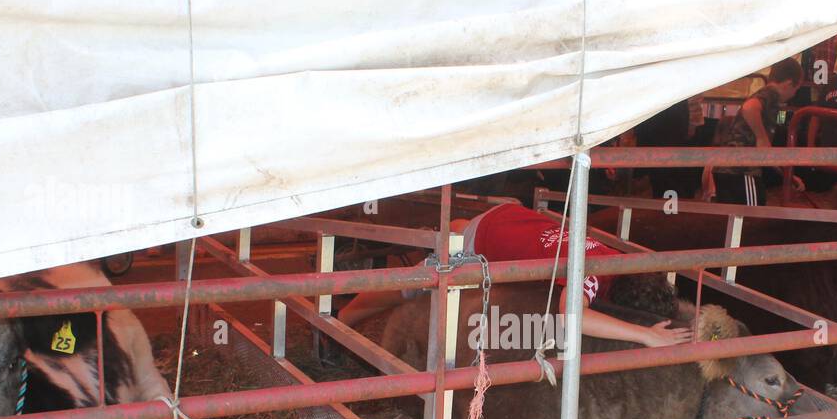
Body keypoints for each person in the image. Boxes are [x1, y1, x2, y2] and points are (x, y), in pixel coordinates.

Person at [338, 203, 691, 348]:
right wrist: (645, 335)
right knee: (416, 283)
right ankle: (343, 318)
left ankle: (454, 233)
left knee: (457, 237)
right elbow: (570, 316)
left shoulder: (617, 258)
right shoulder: (597, 275)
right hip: (479, 241)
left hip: (512, 215)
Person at [706, 58, 805, 205]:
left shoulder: (764, 94)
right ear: (788, 84)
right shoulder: (771, 95)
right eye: (795, 89)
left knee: (734, 221)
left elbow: (765, 151)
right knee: (752, 217)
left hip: (727, 170)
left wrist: (787, 175)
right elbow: (749, 107)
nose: (793, 95)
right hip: (742, 171)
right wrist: (761, 136)